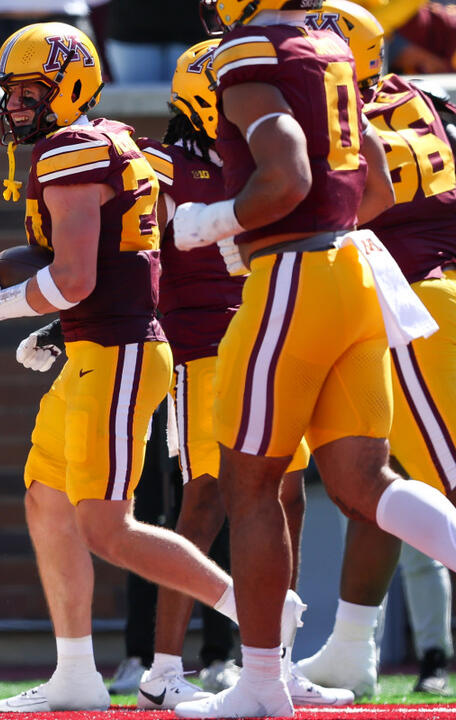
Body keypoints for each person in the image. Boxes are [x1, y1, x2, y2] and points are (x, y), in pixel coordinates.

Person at [0, 21, 306, 713]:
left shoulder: (72, 149)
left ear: (67, 87)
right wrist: (59, 327)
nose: (15, 109)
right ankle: (75, 674)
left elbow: (73, 276)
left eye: (29, 94)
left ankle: (256, 609)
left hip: (119, 350)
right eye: (10, 95)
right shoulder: (107, 139)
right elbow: (120, 264)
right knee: (46, 494)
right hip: (100, 344)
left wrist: (3, 302)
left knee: (107, 526)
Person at [169, 0, 456, 716]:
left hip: (295, 278)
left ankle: (263, 684)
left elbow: (288, 176)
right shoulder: (330, 48)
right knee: (367, 482)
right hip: (359, 272)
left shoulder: (246, 52)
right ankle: (274, 677)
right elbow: (375, 190)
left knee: (249, 481)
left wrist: (217, 221)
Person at [133, 38, 350, 710]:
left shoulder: (245, 158)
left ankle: (273, 660)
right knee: (204, 497)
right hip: (202, 346)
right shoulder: (162, 163)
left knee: (288, 494)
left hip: (266, 334)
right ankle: (164, 667)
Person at [294, 0, 456, 698]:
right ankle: (352, 646)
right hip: (411, 300)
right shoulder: (416, 95)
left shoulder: (347, 112)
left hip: (420, 303)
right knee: (374, 483)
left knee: (444, 483)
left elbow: (369, 200)